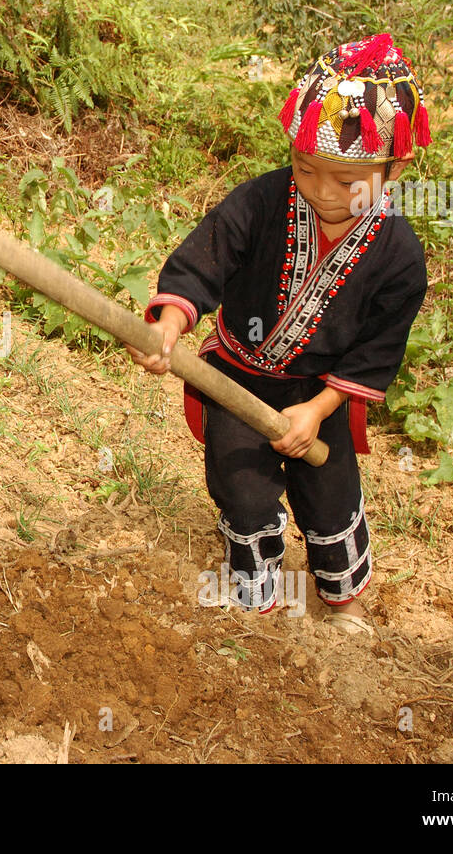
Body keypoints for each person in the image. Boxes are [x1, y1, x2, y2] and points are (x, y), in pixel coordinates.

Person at [129, 33, 431, 635]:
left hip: (320, 392)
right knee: (240, 487)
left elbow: (377, 351)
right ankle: (257, 595)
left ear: (394, 169)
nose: (322, 191)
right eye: (305, 168)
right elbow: (204, 262)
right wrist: (170, 324)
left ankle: (340, 598)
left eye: (347, 181)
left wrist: (318, 411)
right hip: (236, 376)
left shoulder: (399, 257)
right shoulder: (261, 203)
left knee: (330, 492)